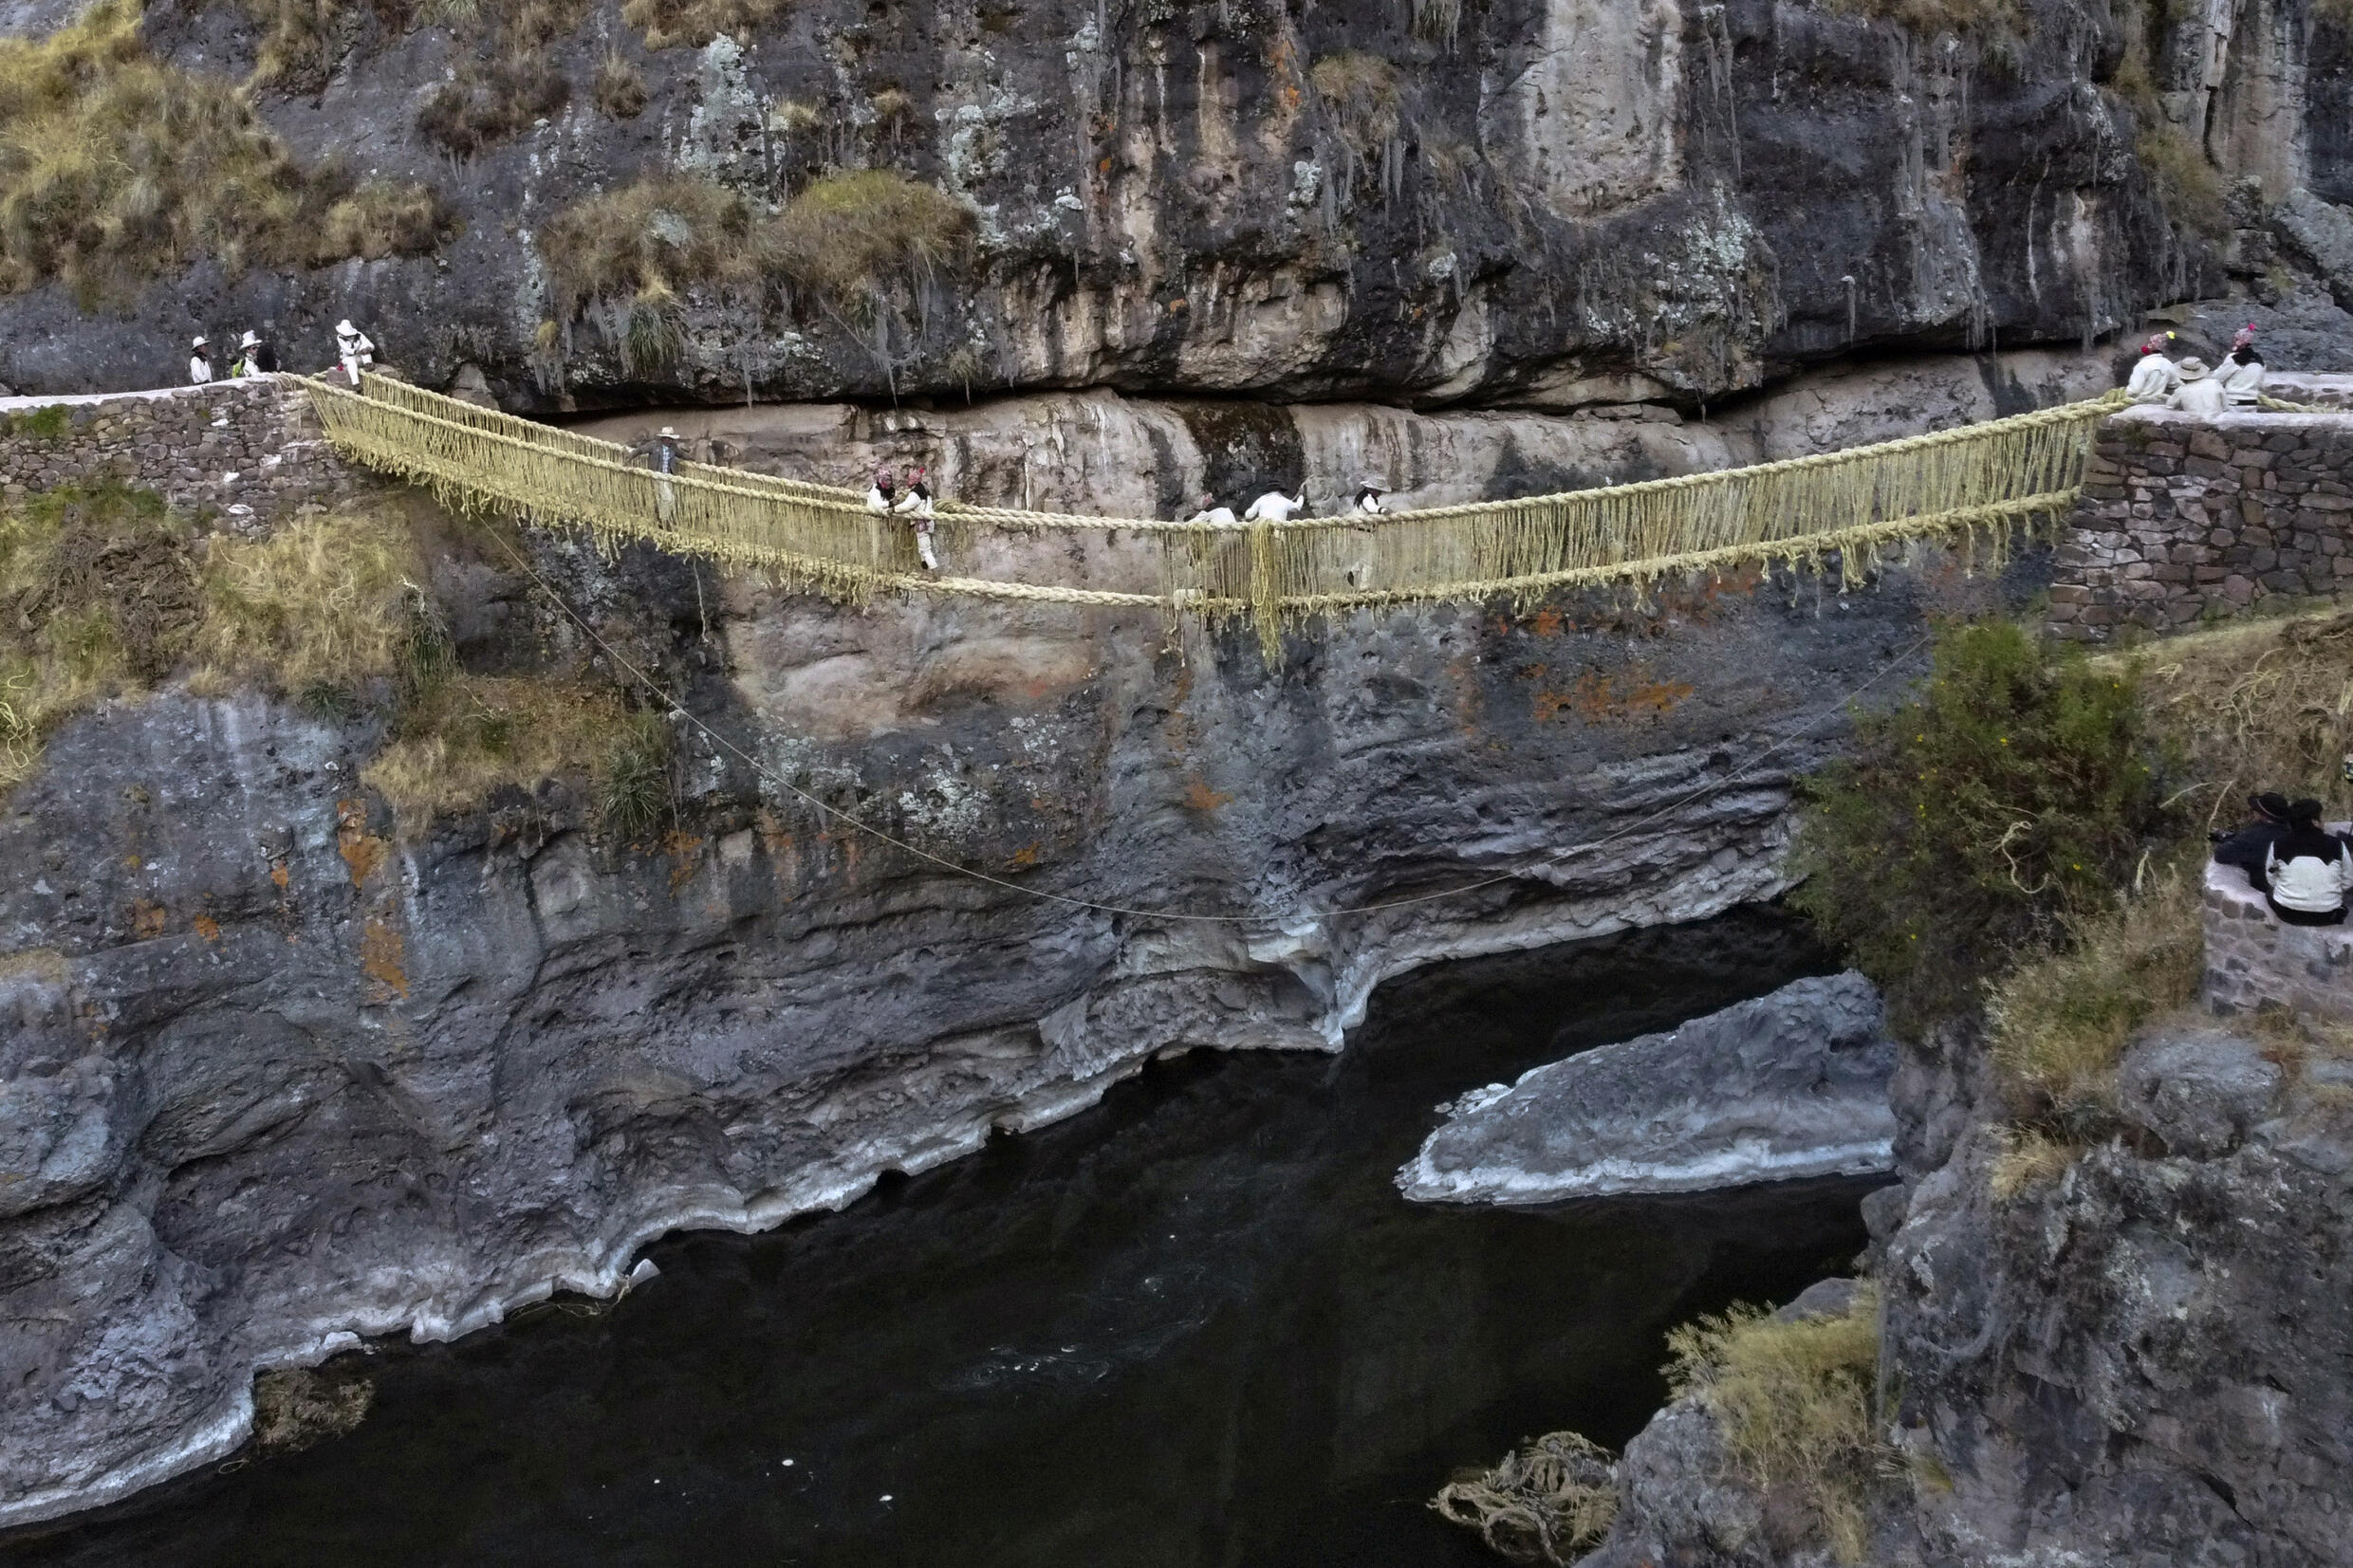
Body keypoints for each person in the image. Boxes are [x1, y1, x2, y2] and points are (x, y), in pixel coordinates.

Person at [2263, 798, 2351, 926]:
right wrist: (2332, 890)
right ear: (2314, 822)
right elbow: (2349, 879)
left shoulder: (2278, 844)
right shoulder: (2337, 845)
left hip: (2286, 913)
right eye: (2321, 818)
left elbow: (2271, 878)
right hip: (2327, 916)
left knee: (2269, 892)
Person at [2213, 790, 2293, 891]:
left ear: (2262, 815)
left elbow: (2221, 855)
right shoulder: (2290, 830)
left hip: (2267, 889)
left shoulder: (2256, 836)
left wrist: (2223, 840)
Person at [893, 464, 939, 571]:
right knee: (922, 549)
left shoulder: (916, 492)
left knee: (926, 550)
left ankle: (935, 574)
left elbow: (907, 506)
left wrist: (894, 509)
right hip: (926, 521)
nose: (908, 481)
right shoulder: (924, 488)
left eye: (910, 479)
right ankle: (926, 570)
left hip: (922, 523)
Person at [2125, 331, 2180, 403]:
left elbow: (2134, 391)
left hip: (2140, 403)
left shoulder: (2142, 365)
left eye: (2149, 343)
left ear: (2151, 347)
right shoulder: (2168, 364)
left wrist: (2122, 394)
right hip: (2159, 402)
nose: (2146, 345)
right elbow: (2174, 384)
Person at [2218, 325, 2265, 410]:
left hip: (2234, 402)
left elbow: (2218, 378)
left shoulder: (2233, 358)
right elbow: (2260, 383)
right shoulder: (2260, 360)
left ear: (2238, 341)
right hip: (2252, 402)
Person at [335, 319, 375, 387]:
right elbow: (347, 349)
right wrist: (357, 351)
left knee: (364, 346)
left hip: (360, 358)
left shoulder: (359, 335)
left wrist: (368, 349)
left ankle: (368, 364)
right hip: (347, 359)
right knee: (351, 361)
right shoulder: (340, 338)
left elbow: (371, 345)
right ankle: (356, 384)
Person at [1242, 487, 1306, 524]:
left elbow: (1249, 515)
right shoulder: (1284, 500)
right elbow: (1298, 507)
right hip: (1278, 531)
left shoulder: (1261, 499)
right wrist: (1300, 495)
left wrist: (1245, 515)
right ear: (1280, 491)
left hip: (1262, 530)